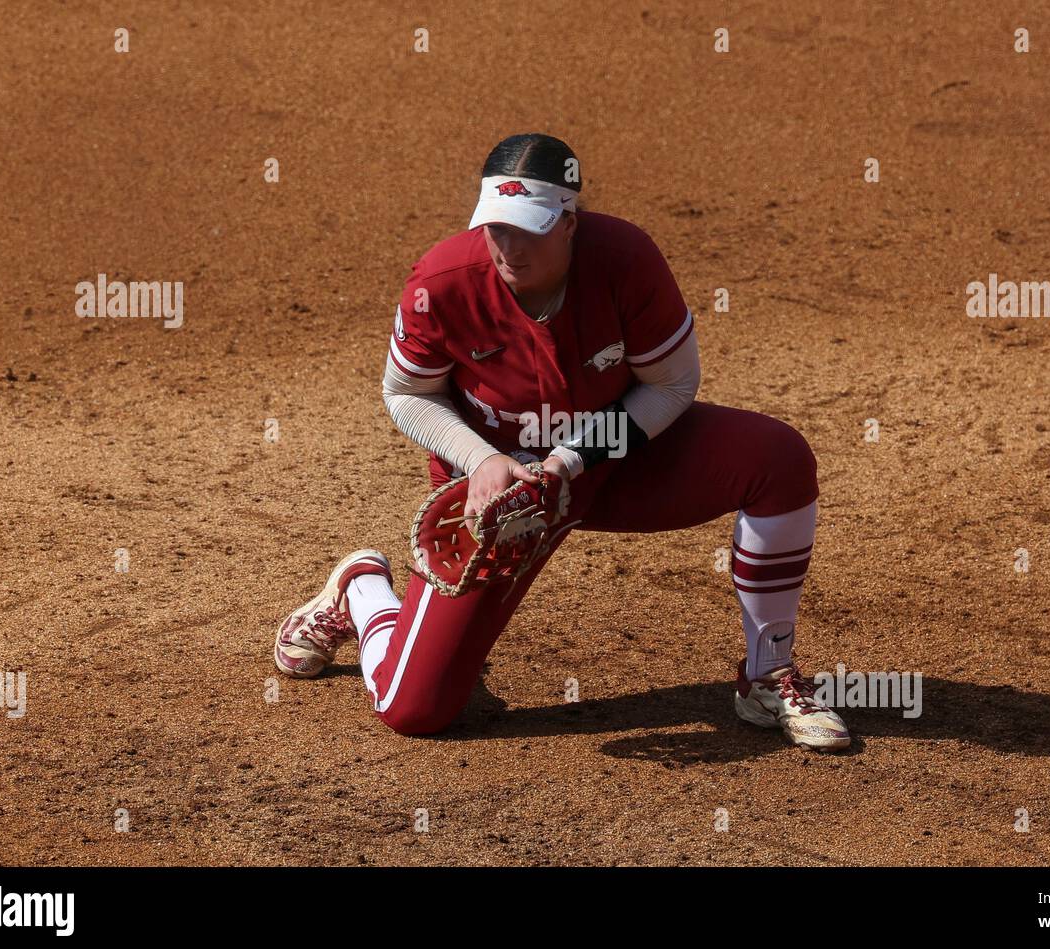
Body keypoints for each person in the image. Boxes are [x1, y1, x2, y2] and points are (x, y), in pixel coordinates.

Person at [272, 133, 849, 750]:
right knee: (415, 708)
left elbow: (674, 385)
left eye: (531, 229)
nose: (509, 248)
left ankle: (768, 674)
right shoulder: (441, 281)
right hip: (499, 502)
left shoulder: (626, 261)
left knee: (776, 459)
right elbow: (406, 394)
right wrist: (482, 459)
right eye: (496, 227)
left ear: (571, 222)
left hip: (619, 462)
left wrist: (572, 458)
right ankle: (361, 589)